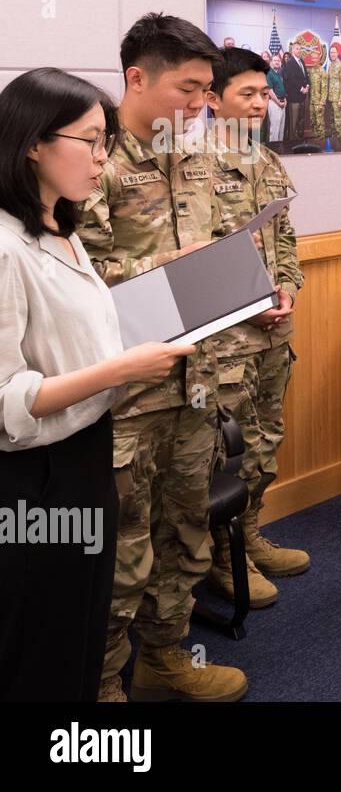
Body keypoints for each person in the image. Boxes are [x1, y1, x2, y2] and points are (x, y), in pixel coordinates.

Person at [0, 68, 196, 701]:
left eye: (105, 142)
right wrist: (122, 369)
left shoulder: (60, 225)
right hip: (37, 473)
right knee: (41, 636)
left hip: (88, 448)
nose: (101, 158)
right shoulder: (5, 247)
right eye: (89, 141)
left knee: (79, 626)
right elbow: (7, 401)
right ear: (32, 142)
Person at [78, 13, 248, 701]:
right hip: (121, 394)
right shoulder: (92, 158)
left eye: (209, 89)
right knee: (119, 550)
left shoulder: (197, 156)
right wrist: (164, 265)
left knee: (187, 529)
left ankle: (164, 658)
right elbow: (69, 277)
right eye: (189, 88)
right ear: (136, 78)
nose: (202, 105)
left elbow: (208, 249)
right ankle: (100, 686)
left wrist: (238, 282)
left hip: (195, 380)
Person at [203, 48, 310, 607]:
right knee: (229, 453)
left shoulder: (267, 161)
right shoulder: (189, 167)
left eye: (264, 93)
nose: (260, 104)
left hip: (273, 332)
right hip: (224, 344)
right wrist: (247, 305)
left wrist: (288, 286)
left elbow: (285, 238)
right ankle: (224, 557)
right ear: (213, 99)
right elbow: (185, 264)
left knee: (267, 441)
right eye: (247, 94)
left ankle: (252, 534)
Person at [282, 41, 310, 148]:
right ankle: (292, 144)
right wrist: (301, 88)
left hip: (302, 97)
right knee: (293, 122)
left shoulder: (301, 61)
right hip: (294, 97)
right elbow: (290, 80)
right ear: (292, 50)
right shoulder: (290, 62)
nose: (299, 51)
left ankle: (299, 140)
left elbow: (305, 76)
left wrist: (307, 86)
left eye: (300, 49)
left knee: (300, 120)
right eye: (297, 49)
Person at [325, 45, 341, 147]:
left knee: (339, 123)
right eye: (331, 52)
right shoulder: (331, 65)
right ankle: (334, 143)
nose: (332, 54)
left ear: (337, 53)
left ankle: (340, 145)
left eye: (334, 52)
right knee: (332, 122)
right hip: (331, 98)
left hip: (338, 98)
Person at [265, 52, 286, 149]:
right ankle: (273, 152)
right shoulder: (269, 73)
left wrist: (284, 100)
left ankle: (280, 152)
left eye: (278, 60)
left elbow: (282, 88)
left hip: (282, 104)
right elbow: (269, 91)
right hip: (274, 103)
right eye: (275, 60)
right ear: (270, 62)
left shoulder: (279, 74)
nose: (277, 62)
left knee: (281, 129)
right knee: (275, 129)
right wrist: (278, 103)